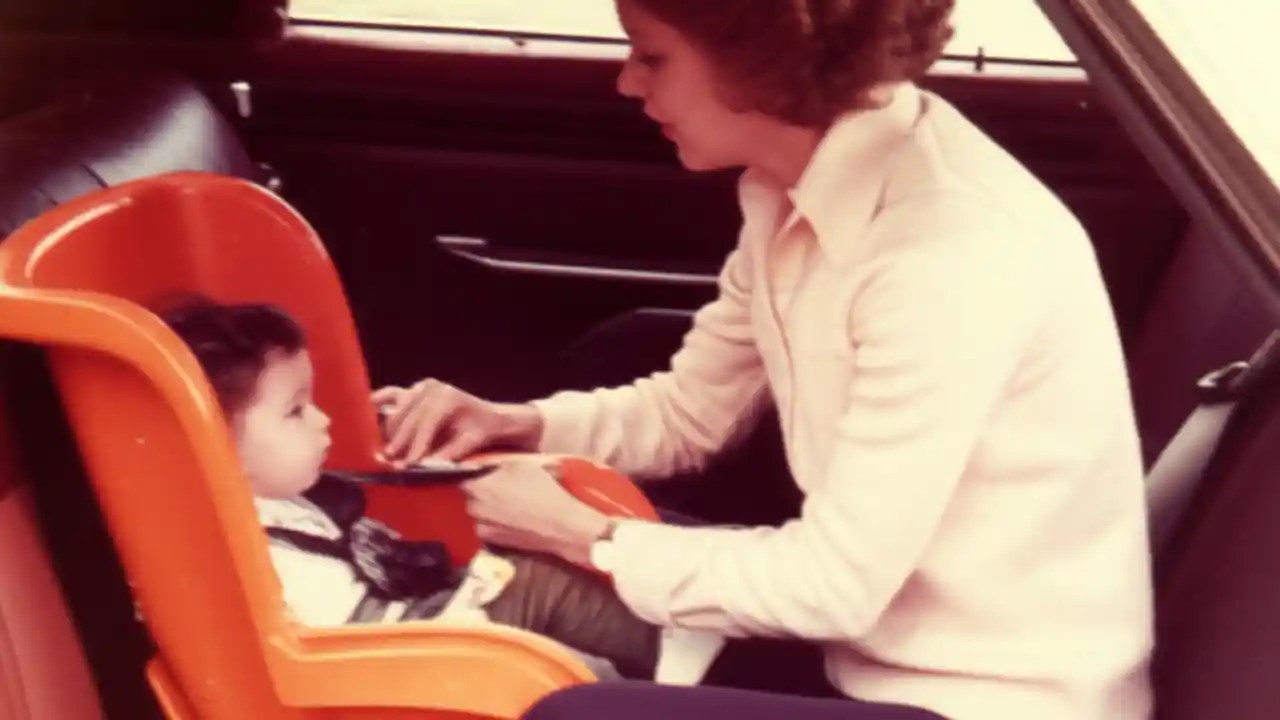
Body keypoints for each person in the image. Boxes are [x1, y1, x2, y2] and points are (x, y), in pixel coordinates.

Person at [377, 1, 1156, 718]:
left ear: (761, 61)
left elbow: (831, 589)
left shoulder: (947, 254)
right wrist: (516, 425)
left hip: (983, 701)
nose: (625, 81)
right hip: (864, 653)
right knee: (494, 584)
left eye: (651, 56)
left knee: (567, 711)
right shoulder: (789, 189)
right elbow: (687, 416)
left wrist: (582, 536)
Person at [161, 297, 660, 679]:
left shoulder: (274, 500)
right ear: (211, 444)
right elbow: (350, 657)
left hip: (434, 618)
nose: (323, 420)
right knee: (575, 669)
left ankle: (687, 657)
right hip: (424, 658)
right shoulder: (241, 555)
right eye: (295, 412)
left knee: (546, 584)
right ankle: (668, 676)